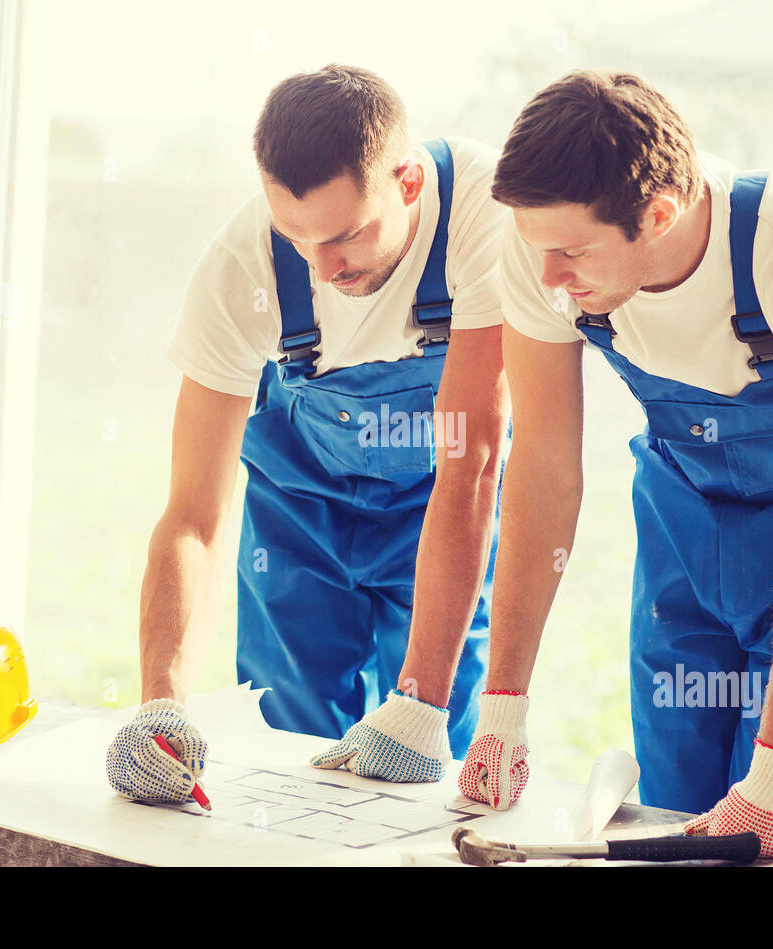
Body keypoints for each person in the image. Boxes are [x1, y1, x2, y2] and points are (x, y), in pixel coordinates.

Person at [458, 70, 773, 859]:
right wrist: (501, 708)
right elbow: (541, 471)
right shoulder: (542, 248)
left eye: (572, 252)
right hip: (684, 510)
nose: (548, 280)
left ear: (660, 213)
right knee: (673, 816)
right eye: (538, 249)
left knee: (770, 823)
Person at [105, 64, 512, 803]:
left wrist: (418, 703)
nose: (322, 267)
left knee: (434, 757)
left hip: (441, 500)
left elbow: (473, 463)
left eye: (346, 237)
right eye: (296, 237)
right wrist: (159, 704)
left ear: (409, 183)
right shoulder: (241, 267)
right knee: (282, 752)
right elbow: (193, 515)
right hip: (297, 513)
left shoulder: (485, 217)